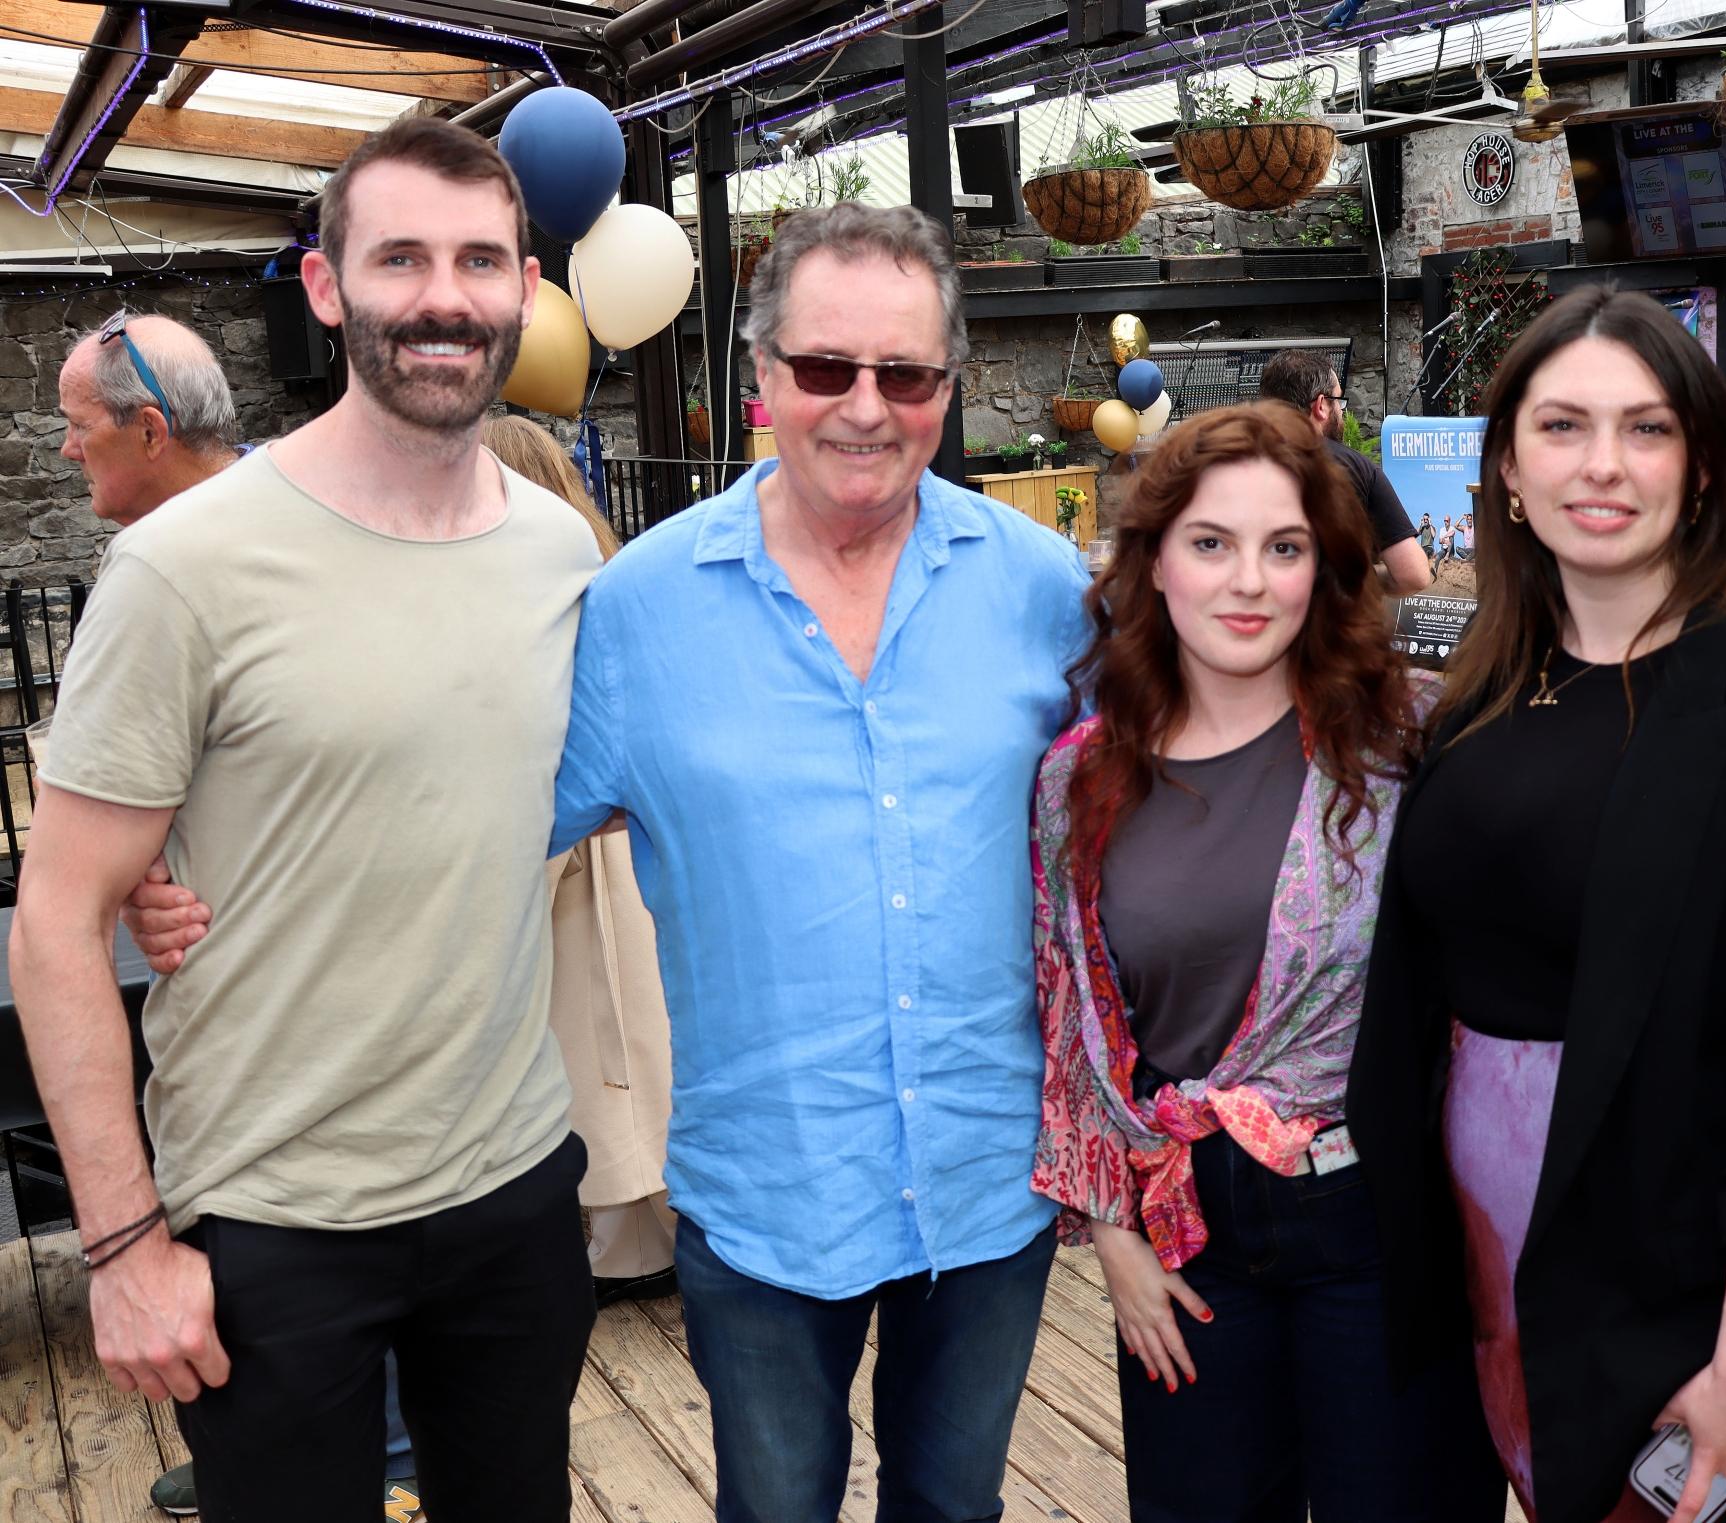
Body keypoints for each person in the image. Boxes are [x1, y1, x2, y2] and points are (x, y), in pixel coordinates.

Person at [12, 117, 601, 1523]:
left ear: (526, 285)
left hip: (515, 1186)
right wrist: (120, 1243)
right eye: (399, 257)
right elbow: (53, 919)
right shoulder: (180, 567)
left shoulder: (556, 549)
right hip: (272, 1220)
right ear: (328, 287)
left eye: (476, 260)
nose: (443, 296)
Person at [541, 201, 1088, 1523]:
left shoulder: (1045, 587)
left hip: (987, 1174)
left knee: (954, 1504)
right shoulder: (637, 610)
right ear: (761, 384)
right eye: (825, 368)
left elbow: (1179, 788)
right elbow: (495, 832)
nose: (865, 405)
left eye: (904, 374)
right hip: (767, 1187)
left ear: (947, 390)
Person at [1349, 286, 1726, 1523]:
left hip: (1690, 1271)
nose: (1602, 465)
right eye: (1562, 426)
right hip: (1492, 1259)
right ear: (1504, 467)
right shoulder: (1488, 687)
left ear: (1706, 466)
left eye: (1647, 428)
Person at [1029, 402, 1506, 1523]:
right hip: (1187, 1239)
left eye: (1283, 547)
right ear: (1152, 563)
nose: (1248, 580)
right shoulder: (1078, 780)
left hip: (1379, 1222)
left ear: (1324, 570)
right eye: (1211, 542)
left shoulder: (1408, 743)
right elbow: (1070, 1022)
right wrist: (1112, 1238)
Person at [51, 313, 422, 1520]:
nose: (64, 453)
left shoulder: (208, 557)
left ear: (148, 432)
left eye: (76, 428)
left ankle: (377, 1449)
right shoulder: (231, 543)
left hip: (329, 1036)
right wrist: (150, 863)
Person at [481, 413, 678, 1304]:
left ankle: (610, 1235)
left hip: (566, 850)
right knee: (634, 1038)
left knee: (590, 1043)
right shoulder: (612, 588)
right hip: (618, 855)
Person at [1258, 349, 1431, 594]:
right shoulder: (1356, 467)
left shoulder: (1226, 458)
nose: (1340, 410)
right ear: (1320, 406)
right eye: (1338, 401)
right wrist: (1357, 575)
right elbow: (1413, 575)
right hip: (1329, 623)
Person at [57, 312, 242, 529]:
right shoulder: (272, 504)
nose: (68, 450)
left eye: (79, 426)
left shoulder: (157, 557)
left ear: (150, 433)